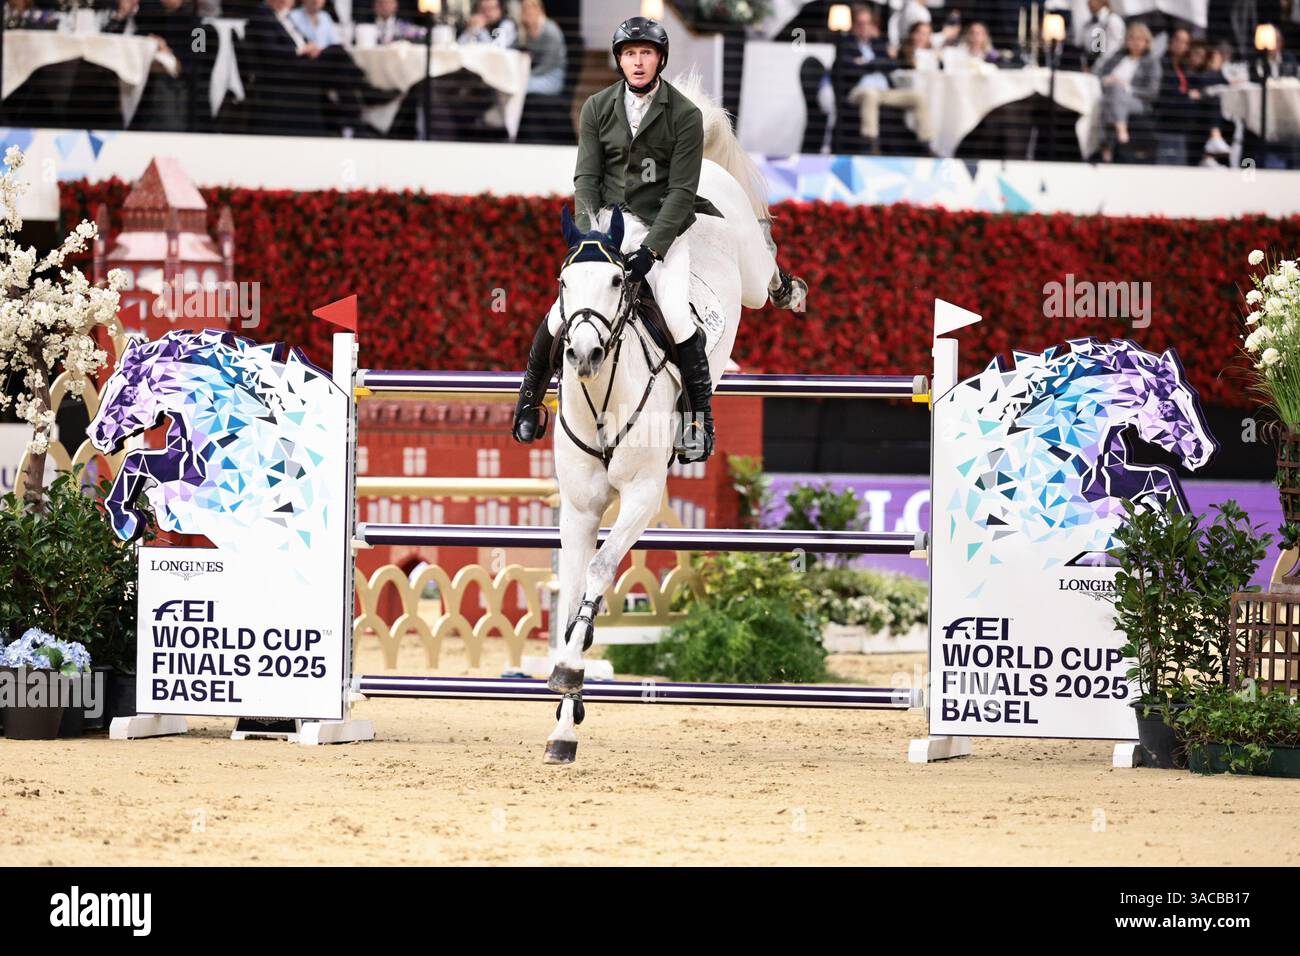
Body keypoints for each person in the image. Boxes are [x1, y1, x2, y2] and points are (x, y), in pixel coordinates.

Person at [511, 16, 801, 462]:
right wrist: (591, 236)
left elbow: (683, 193)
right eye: (630, 54)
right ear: (620, 60)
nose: (638, 62)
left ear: (659, 59)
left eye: (645, 54)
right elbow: (586, 177)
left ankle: (698, 422)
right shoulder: (597, 108)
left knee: (678, 319)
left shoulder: (682, 116)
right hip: (608, 232)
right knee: (558, 316)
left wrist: (653, 250)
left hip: (664, 232)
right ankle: (529, 403)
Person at [1096, 22, 1160, 162]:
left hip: (1138, 101)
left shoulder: (1151, 62)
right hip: (1109, 96)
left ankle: (1111, 143)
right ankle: (1118, 136)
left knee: (1116, 93)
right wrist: (1106, 79)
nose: (1135, 43)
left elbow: (1152, 92)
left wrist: (1127, 87)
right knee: (1110, 96)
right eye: (1132, 38)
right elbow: (1099, 73)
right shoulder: (1119, 56)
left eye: (1139, 39)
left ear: (1146, 42)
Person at [517, 0, 566, 96]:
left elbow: (548, 65)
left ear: (540, 9)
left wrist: (525, 76)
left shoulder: (550, 31)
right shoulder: (526, 30)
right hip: (536, 72)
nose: (529, 11)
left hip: (551, 76)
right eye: (525, 8)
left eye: (532, 7)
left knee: (518, 85)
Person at [1080, 0, 1126, 71]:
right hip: (1089, 67)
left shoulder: (1113, 20)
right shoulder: (1088, 23)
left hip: (1105, 68)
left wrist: (1096, 68)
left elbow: (1112, 50)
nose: (1089, 3)